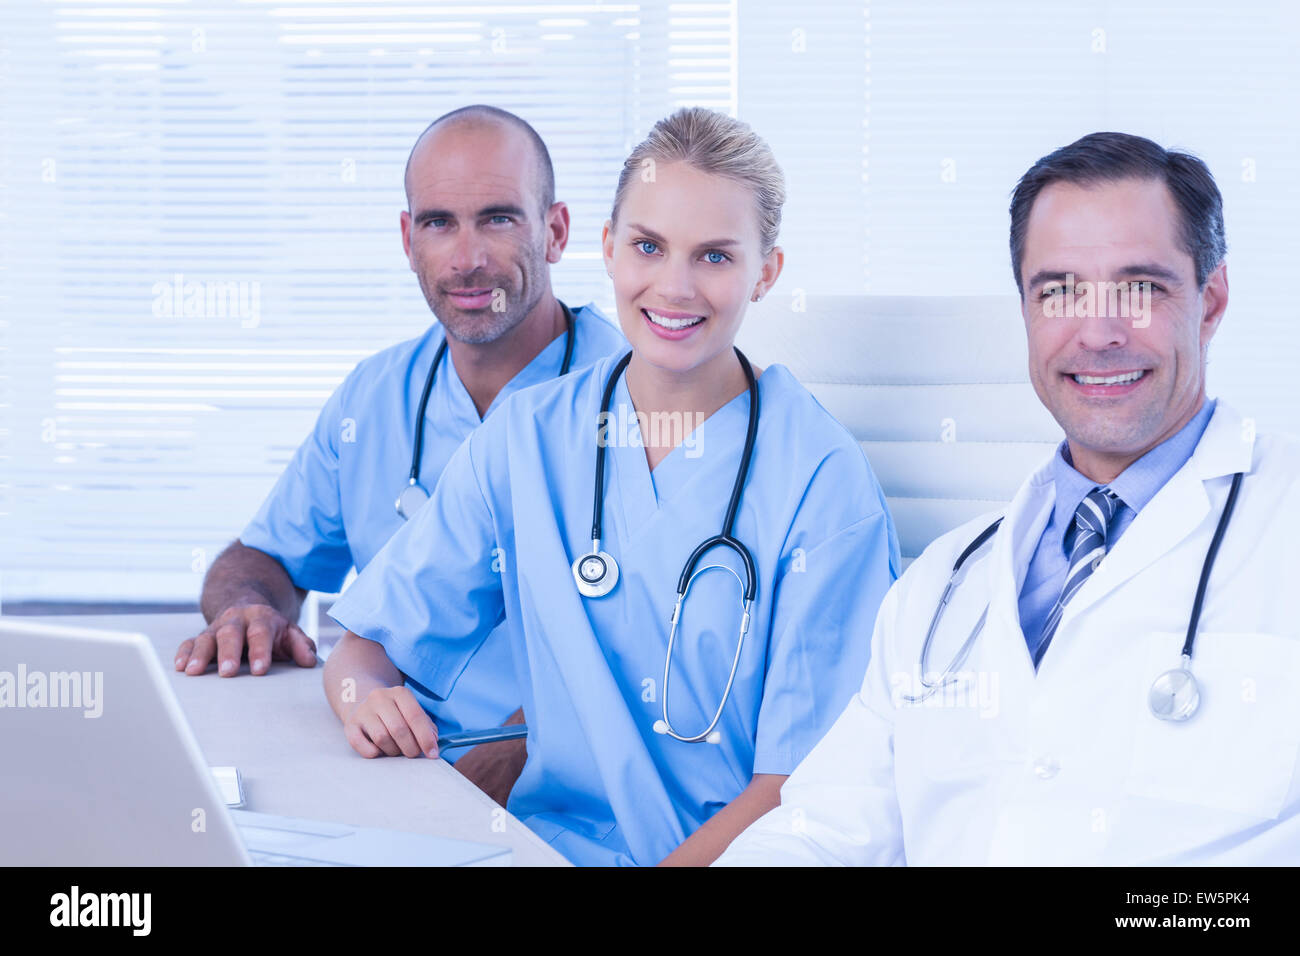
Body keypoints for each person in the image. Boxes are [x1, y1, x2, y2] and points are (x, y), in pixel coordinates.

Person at [323, 106, 900, 866]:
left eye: (716, 257)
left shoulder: (820, 481)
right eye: (649, 246)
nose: (675, 286)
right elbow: (364, 646)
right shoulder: (527, 437)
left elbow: (801, 785)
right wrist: (367, 701)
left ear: (766, 273)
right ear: (606, 248)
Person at [715, 131, 1300, 866]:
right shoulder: (941, 586)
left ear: (1210, 302)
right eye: (1059, 291)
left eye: (1140, 288)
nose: (1098, 332)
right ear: (1024, 308)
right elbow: (826, 829)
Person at [172, 105, 627, 803]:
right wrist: (249, 611)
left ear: (556, 232)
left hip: (555, 789)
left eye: (499, 219)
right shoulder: (375, 397)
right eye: (438, 222)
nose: (466, 258)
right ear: (408, 239)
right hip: (378, 760)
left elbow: (650, 653)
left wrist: (507, 768)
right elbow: (266, 556)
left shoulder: (634, 399)